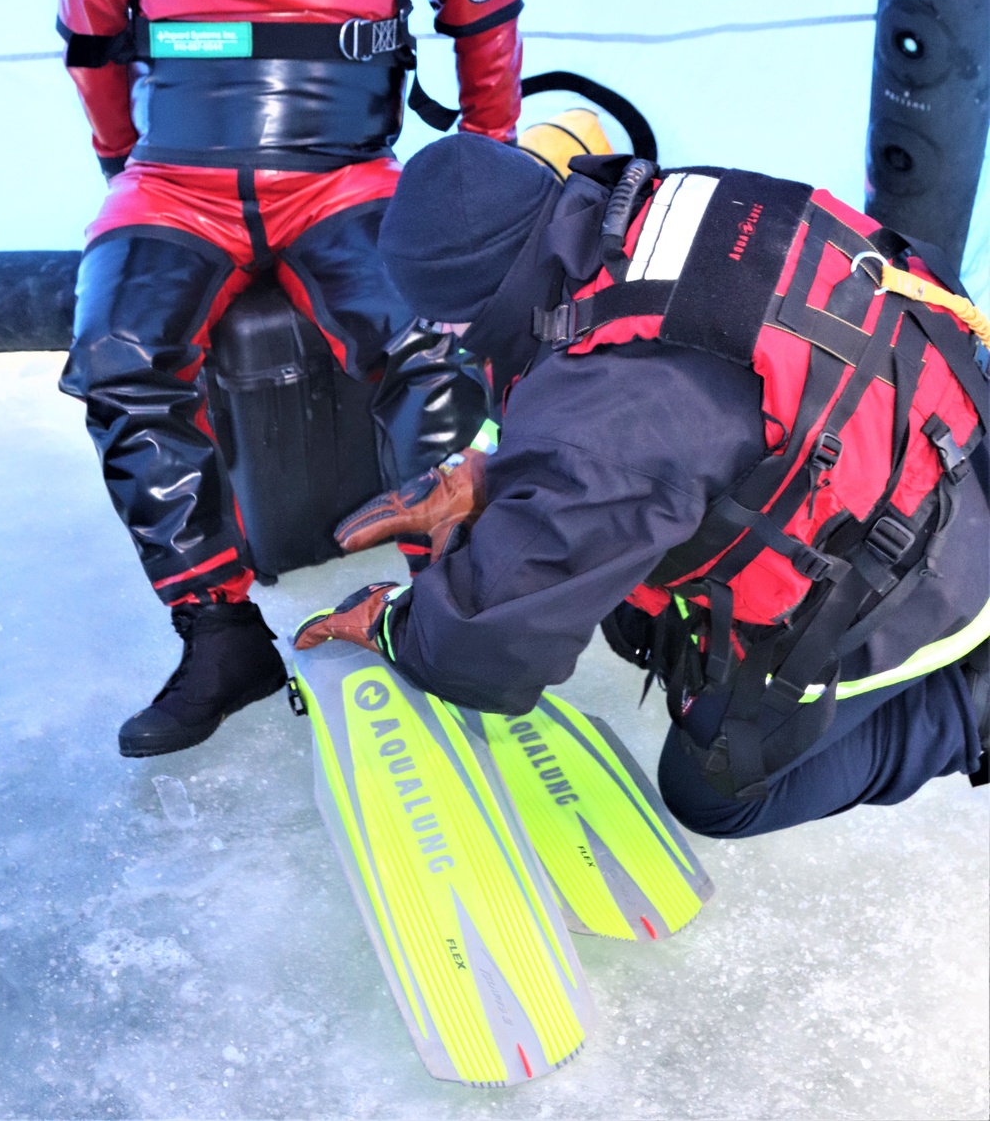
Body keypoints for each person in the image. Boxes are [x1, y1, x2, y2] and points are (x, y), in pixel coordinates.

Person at [57, 0, 522, 758]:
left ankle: (453, 613)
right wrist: (121, 169)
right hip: (175, 183)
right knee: (117, 356)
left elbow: (485, 18)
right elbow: (91, 45)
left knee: (432, 342)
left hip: (343, 178)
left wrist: (484, 163)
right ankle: (220, 637)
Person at [294, 134, 990, 836]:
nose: (452, 341)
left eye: (449, 323)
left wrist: (396, 625)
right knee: (625, 593)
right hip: (951, 439)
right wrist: (502, 477)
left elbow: (492, 644)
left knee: (716, 788)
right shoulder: (644, 210)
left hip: (932, 566)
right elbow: (669, 414)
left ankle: (976, 704)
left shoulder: (599, 418)